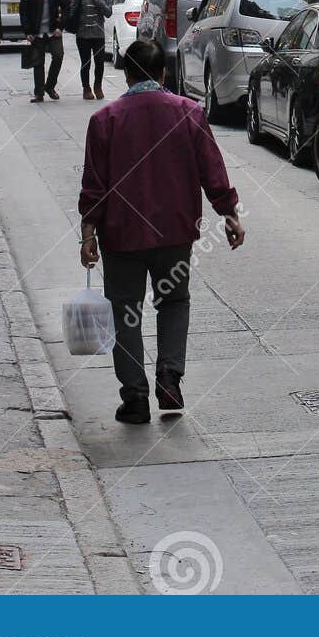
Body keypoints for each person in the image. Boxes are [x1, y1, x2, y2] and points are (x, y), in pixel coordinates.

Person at [79, 39, 245, 425]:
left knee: (125, 311)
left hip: (121, 233)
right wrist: (230, 214)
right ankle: (169, 378)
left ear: (126, 73)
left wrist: (88, 233)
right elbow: (212, 170)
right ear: (163, 72)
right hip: (175, 231)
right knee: (173, 301)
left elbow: (94, 186)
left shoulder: (105, 120)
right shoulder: (189, 112)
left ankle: (135, 398)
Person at [19, 0, 66, 102]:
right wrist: (27, 31)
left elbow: (66, 9)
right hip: (36, 32)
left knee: (58, 56)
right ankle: (39, 92)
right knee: (38, 62)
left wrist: (60, 27)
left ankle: (50, 86)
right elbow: (24, 12)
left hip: (53, 31)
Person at [67, 0, 113, 100]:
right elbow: (72, 12)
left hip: (98, 34)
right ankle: (86, 88)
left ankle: (98, 86)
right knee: (85, 63)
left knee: (99, 62)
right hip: (83, 34)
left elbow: (108, 13)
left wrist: (98, 1)